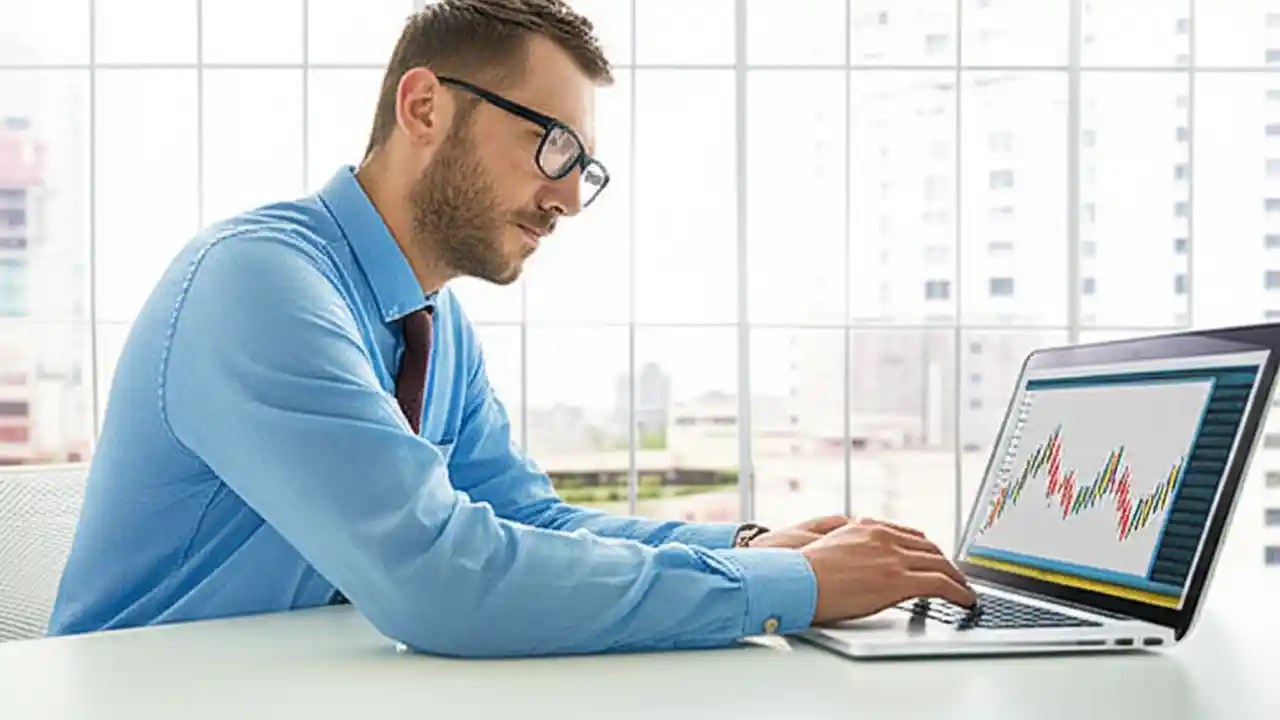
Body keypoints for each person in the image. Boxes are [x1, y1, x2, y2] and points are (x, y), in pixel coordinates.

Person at [48, 0, 974, 657]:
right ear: (424, 108)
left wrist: (737, 550)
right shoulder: (259, 286)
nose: (571, 195)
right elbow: (440, 579)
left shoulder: (431, 323)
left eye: (587, 167)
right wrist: (797, 590)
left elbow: (523, 519)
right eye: (554, 145)